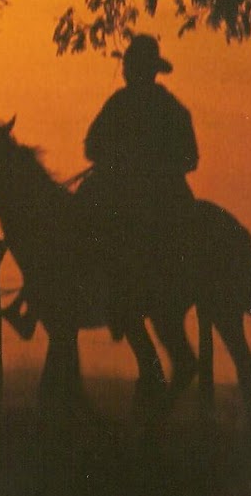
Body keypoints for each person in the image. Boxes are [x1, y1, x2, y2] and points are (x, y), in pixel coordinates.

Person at [77, 34, 199, 332]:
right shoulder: (125, 104)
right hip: (124, 186)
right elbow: (92, 146)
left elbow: (189, 159)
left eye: (133, 66)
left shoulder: (168, 110)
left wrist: (145, 165)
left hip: (158, 193)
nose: (127, 71)